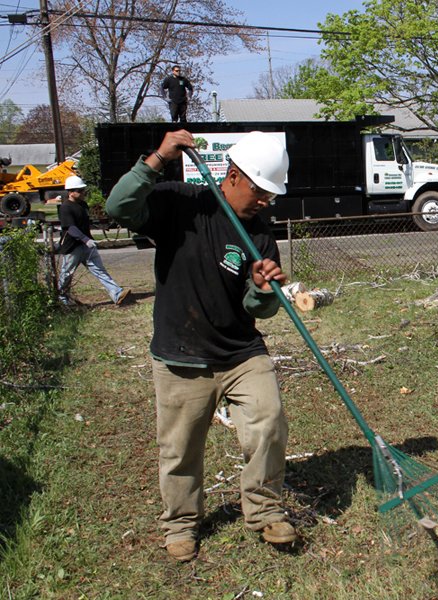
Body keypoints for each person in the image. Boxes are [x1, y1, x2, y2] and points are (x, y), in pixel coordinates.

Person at [105, 130, 298, 562]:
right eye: (262, 191)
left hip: (240, 351)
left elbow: (260, 310)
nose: (267, 201)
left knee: (269, 420)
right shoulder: (181, 203)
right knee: (180, 448)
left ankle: (265, 510)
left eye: (272, 194)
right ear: (234, 176)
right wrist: (157, 159)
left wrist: (263, 289)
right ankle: (181, 524)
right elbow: (117, 207)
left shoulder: (260, 236)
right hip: (182, 353)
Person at [57, 175, 130, 307]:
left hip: (87, 246)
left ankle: (117, 294)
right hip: (72, 248)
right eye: (80, 191)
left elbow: (85, 223)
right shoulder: (65, 208)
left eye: (83, 190)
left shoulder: (83, 205)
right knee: (67, 274)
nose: (83, 193)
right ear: (71, 192)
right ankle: (61, 299)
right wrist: (85, 240)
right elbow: (70, 228)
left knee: (100, 271)